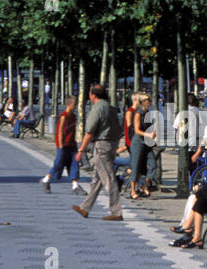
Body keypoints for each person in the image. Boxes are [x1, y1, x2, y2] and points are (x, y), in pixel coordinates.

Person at [71, 85, 124, 221]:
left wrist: (81, 149)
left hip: (102, 145)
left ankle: (116, 211)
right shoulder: (111, 108)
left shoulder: (98, 108)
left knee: (108, 178)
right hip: (111, 144)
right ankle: (85, 207)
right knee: (97, 179)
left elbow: (89, 131)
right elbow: (119, 129)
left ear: (92, 95)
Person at [40, 96, 82, 194]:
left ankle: (75, 186)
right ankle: (45, 180)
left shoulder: (73, 117)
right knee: (58, 163)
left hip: (72, 144)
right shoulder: (63, 116)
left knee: (74, 164)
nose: (75, 106)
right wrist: (61, 145)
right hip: (63, 145)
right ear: (69, 104)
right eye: (74, 104)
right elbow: (59, 131)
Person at [126, 94, 152, 200]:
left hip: (146, 142)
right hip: (137, 142)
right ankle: (133, 191)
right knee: (135, 167)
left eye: (149, 100)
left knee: (153, 165)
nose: (148, 102)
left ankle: (144, 186)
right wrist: (149, 135)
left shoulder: (148, 114)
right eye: (146, 100)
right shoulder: (138, 114)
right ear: (142, 102)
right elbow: (136, 130)